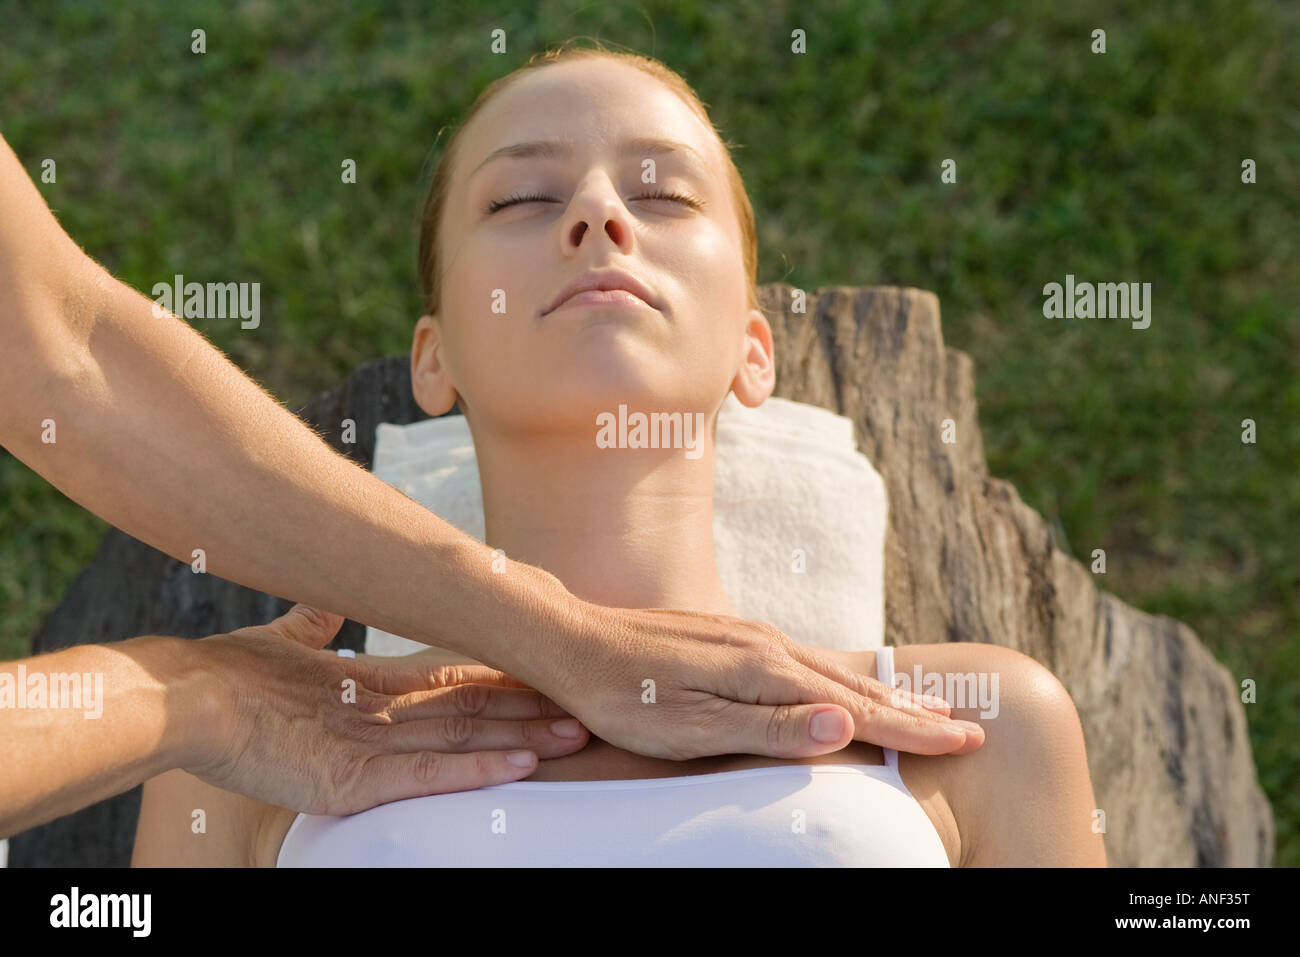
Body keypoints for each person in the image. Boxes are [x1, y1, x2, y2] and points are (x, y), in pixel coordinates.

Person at [132, 45, 1104, 867]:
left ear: (751, 352)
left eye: (663, 194)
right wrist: (193, 709)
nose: (600, 214)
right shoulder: (254, 734)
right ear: (434, 360)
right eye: (519, 197)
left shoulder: (966, 725)